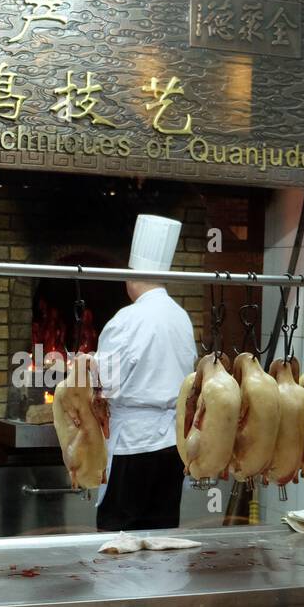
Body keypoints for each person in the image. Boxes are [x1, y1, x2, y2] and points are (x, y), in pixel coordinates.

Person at [94, 214, 196, 532]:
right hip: (172, 444)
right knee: (161, 540)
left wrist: (78, 371)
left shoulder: (127, 319)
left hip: (132, 445)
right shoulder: (182, 318)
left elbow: (104, 383)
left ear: (133, 275)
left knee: (120, 543)